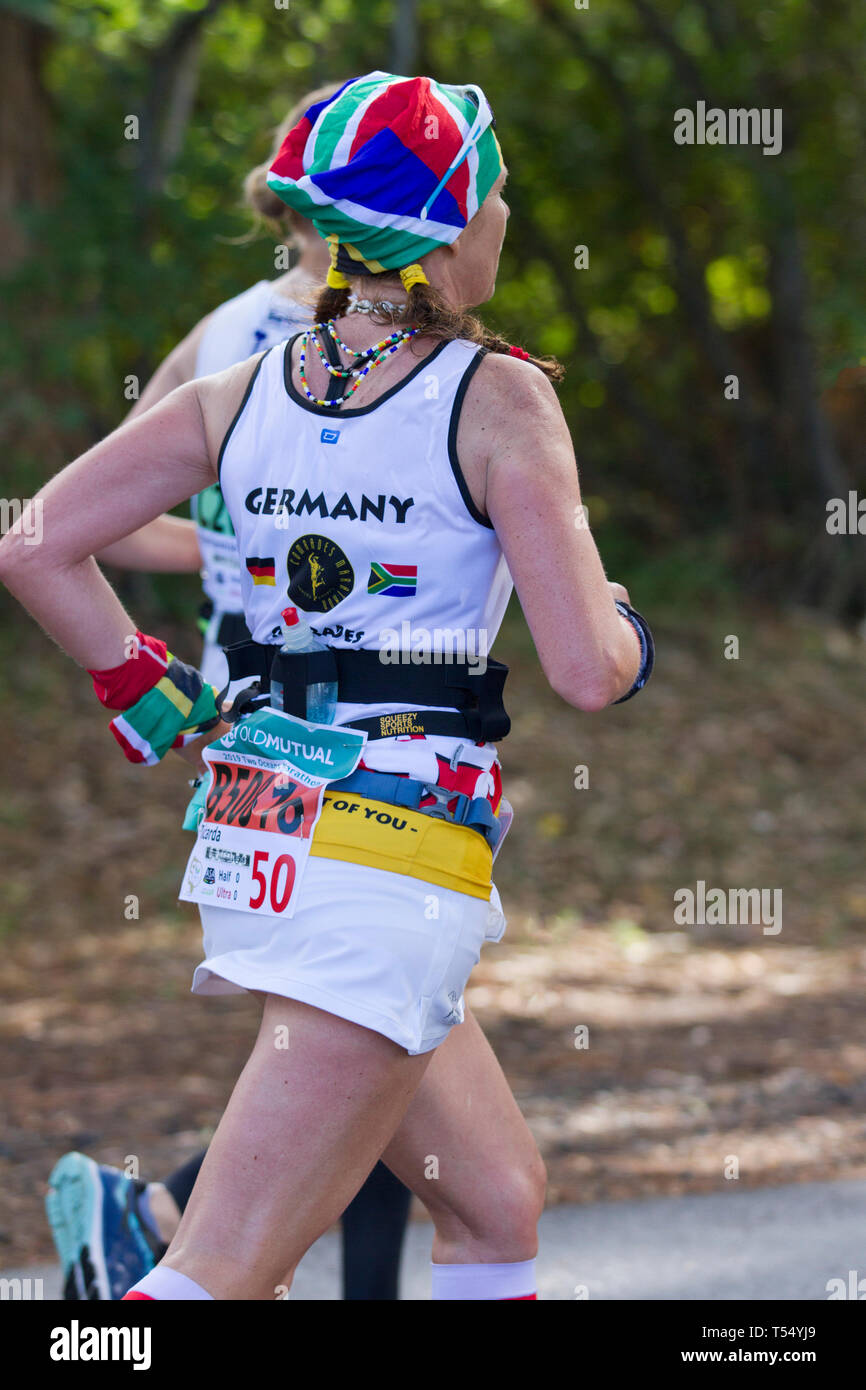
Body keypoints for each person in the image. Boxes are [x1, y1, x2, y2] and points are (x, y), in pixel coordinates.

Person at [1, 70, 653, 1301]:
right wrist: (626, 622)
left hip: (263, 846)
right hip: (387, 860)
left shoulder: (236, 392)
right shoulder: (501, 396)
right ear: (454, 224)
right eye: (498, 194)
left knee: (495, 1201)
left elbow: (33, 543)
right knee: (218, 1274)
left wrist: (151, 695)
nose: (507, 218)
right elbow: (585, 670)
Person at [43, 84, 415, 1302]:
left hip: (320, 741)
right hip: (299, 745)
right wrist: (230, 542)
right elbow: (97, 514)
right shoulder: (274, 342)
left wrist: (232, 534)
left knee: (364, 1056)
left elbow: (110, 515)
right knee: (367, 1051)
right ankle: (159, 1241)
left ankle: (151, 1217)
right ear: (329, 209)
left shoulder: (305, 340)